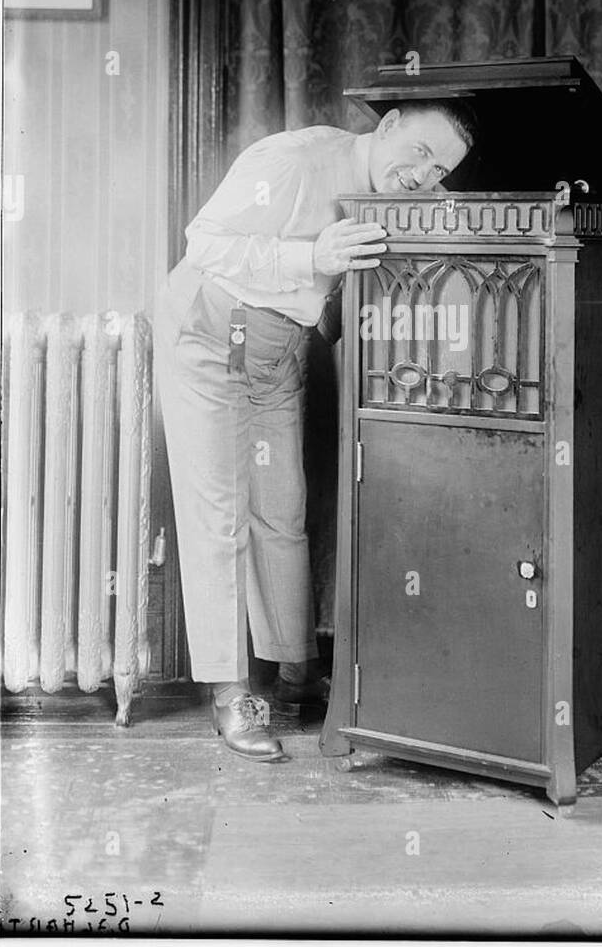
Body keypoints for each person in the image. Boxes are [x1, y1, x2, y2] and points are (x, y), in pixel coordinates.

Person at [153, 100, 476, 761]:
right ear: (387, 126)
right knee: (219, 516)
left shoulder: (400, 188)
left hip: (276, 348)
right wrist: (312, 254)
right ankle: (230, 695)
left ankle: (292, 669)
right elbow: (204, 243)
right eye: (419, 152)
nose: (424, 175)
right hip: (213, 335)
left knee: (283, 511)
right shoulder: (292, 162)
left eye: (440, 167)